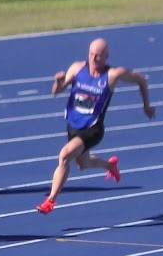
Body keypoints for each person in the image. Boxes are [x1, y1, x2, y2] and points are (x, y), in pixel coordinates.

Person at [36, 38, 154, 215]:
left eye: (99, 55)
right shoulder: (77, 68)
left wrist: (146, 105)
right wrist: (58, 83)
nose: (94, 58)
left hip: (93, 128)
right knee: (83, 163)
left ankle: (50, 200)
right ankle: (110, 166)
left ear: (106, 56)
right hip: (73, 126)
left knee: (64, 156)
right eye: (92, 54)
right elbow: (57, 91)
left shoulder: (113, 75)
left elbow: (141, 80)